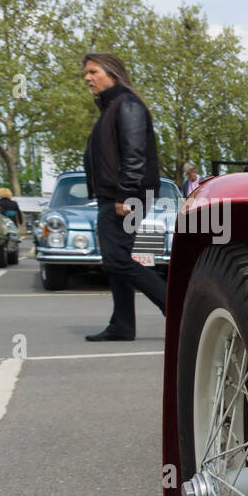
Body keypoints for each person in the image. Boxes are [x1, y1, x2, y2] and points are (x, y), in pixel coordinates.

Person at [80, 52, 166, 342]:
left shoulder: (127, 106)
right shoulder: (113, 107)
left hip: (125, 195)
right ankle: (123, 325)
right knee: (117, 259)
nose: (87, 78)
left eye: (93, 71)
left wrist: (126, 194)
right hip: (114, 194)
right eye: (86, 73)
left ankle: (177, 311)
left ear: (111, 73)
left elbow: (135, 154)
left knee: (118, 259)